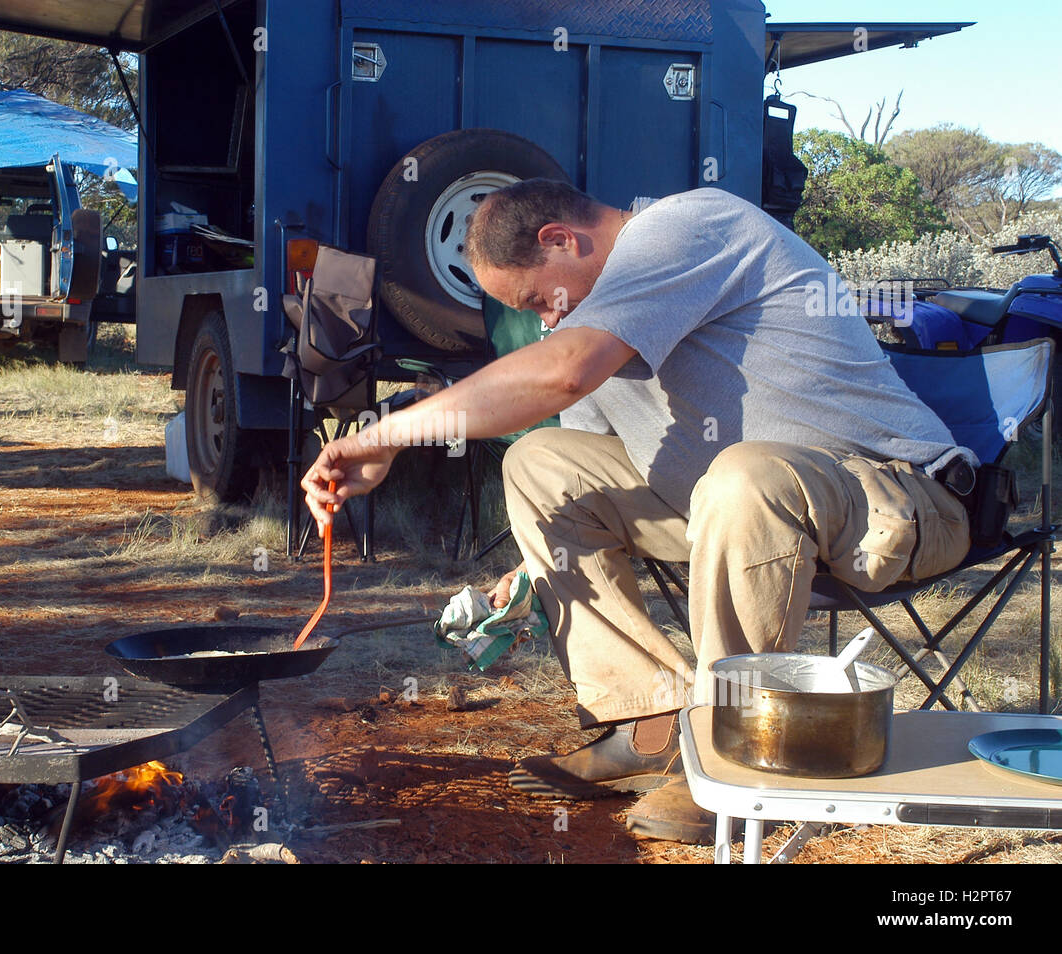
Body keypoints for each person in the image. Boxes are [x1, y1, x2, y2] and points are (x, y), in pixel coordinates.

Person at [301, 180, 973, 844]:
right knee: (540, 462)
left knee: (743, 477)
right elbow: (575, 446)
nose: (544, 321)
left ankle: (726, 751)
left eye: (539, 299)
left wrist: (384, 433)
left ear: (561, 239)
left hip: (893, 502)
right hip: (732, 509)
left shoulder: (687, 226)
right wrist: (529, 570)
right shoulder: (603, 323)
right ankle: (648, 725)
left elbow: (561, 371)